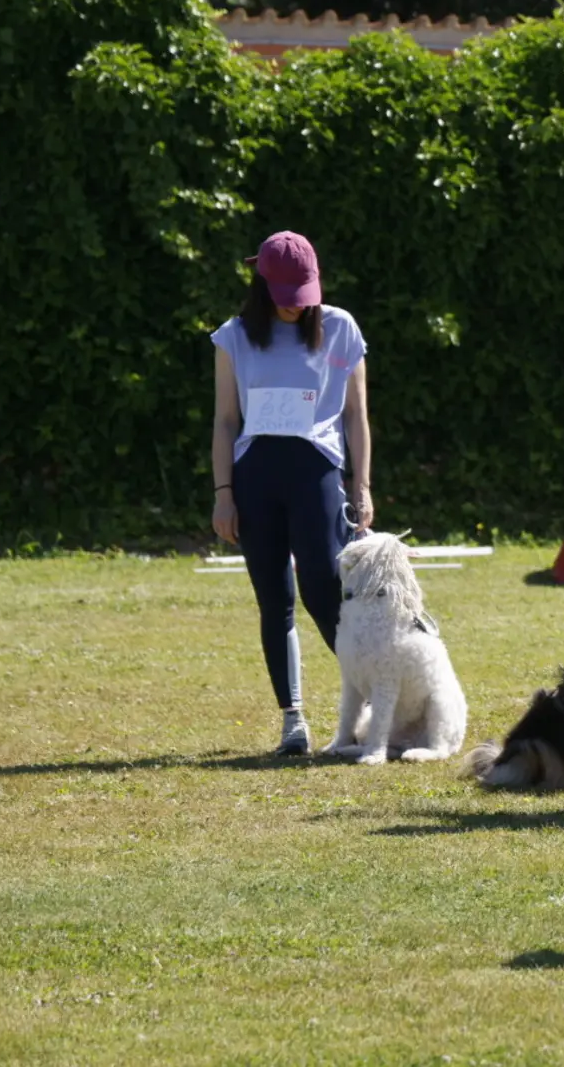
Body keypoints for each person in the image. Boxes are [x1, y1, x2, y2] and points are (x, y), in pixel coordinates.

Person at [211, 230, 374, 756]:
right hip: (255, 476)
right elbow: (225, 421)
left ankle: (373, 708)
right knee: (274, 600)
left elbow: (356, 415)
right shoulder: (234, 337)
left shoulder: (342, 329)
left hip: (318, 474)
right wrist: (223, 493)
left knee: (325, 592)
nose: (294, 309)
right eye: (285, 298)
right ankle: (293, 721)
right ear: (263, 286)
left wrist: (362, 485)